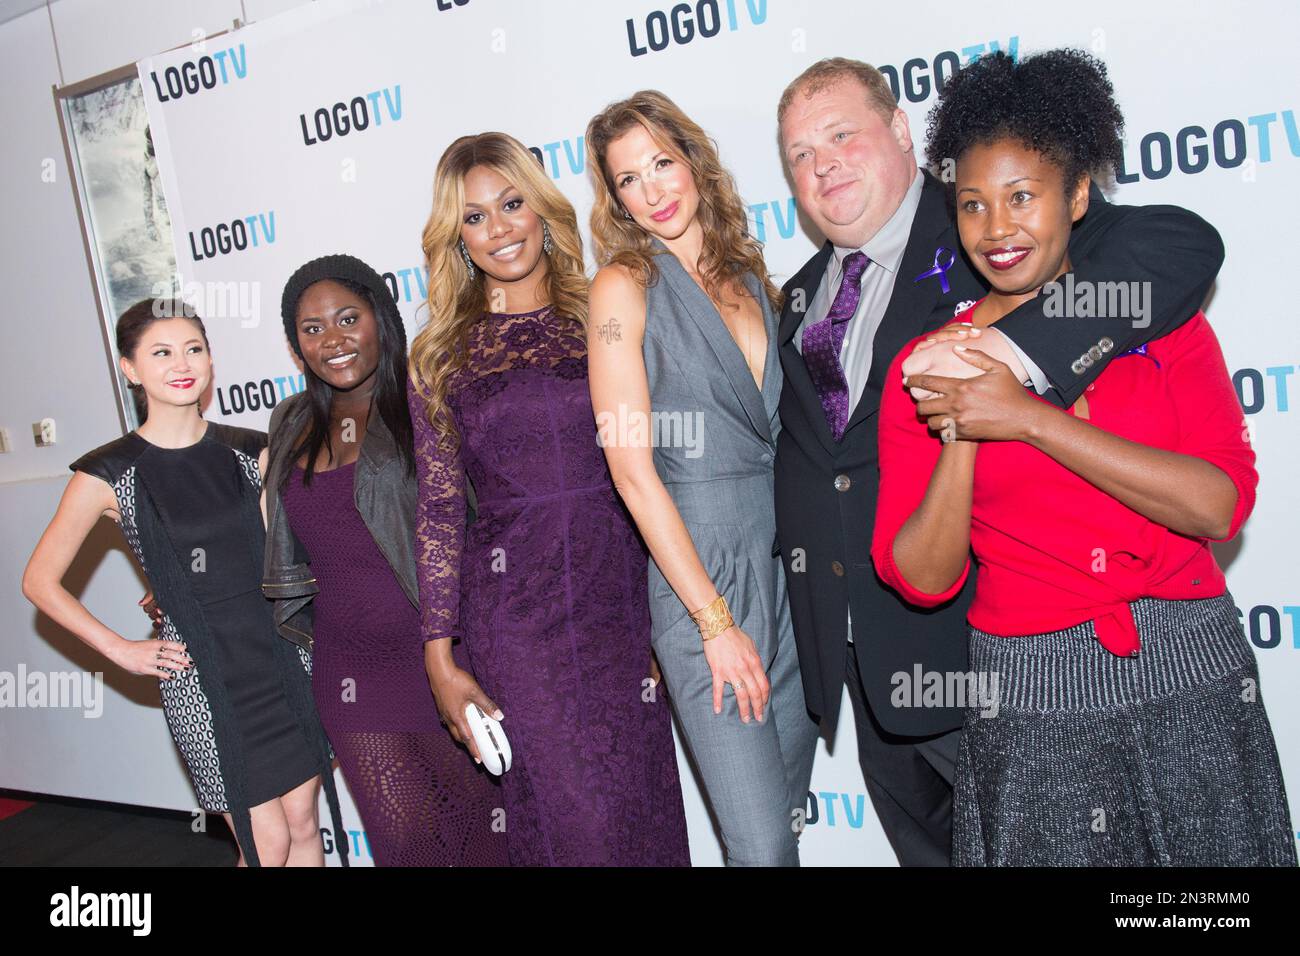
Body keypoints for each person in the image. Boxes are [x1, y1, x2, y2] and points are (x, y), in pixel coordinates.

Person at [773, 56, 1226, 865]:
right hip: (868, 671)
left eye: (841, 135)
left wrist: (1005, 361)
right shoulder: (800, 295)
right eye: (800, 154)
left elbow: (1179, 245)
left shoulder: (989, 213)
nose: (822, 164)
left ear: (903, 133)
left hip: (994, 667)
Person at [870, 48, 1295, 866]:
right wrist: (961, 419)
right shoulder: (924, 364)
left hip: (1195, 669)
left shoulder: (1158, 317)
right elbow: (924, 577)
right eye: (972, 206)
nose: (997, 230)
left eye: (1022, 197)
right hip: (1030, 694)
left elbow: (1216, 506)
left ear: (1078, 196)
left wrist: (1026, 417)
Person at [407, 131, 690, 866]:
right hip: (517, 621)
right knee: (581, 828)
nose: (499, 229)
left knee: (645, 812)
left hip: (618, 607)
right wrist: (440, 660)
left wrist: (666, 613)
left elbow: (650, 467)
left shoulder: (604, 313)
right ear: (455, 238)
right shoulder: (440, 354)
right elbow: (438, 512)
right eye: (475, 217)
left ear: (541, 209)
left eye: (512, 204)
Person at [22, 298, 344, 867]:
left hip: (283, 655)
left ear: (211, 360)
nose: (182, 363)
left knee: (302, 828)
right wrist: (121, 650)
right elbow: (40, 582)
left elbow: (284, 555)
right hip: (203, 676)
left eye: (194, 349)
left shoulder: (251, 450)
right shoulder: (106, 472)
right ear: (130, 368)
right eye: (162, 352)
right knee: (263, 843)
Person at [586, 90, 819, 866]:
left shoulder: (749, 275)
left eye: (661, 162)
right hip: (703, 581)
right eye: (628, 179)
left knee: (782, 830)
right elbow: (630, 469)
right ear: (613, 197)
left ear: (692, 159)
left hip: (788, 575)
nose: (652, 190)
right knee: (757, 846)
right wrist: (714, 624)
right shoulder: (623, 288)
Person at [263, 253, 509, 866]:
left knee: (488, 842)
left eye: (349, 318)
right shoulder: (291, 423)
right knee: (407, 846)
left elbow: (484, 522)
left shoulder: (426, 402)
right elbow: (269, 537)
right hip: (352, 677)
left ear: (382, 317)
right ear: (296, 347)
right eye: (312, 329)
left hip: (449, 661)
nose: (333, 340)